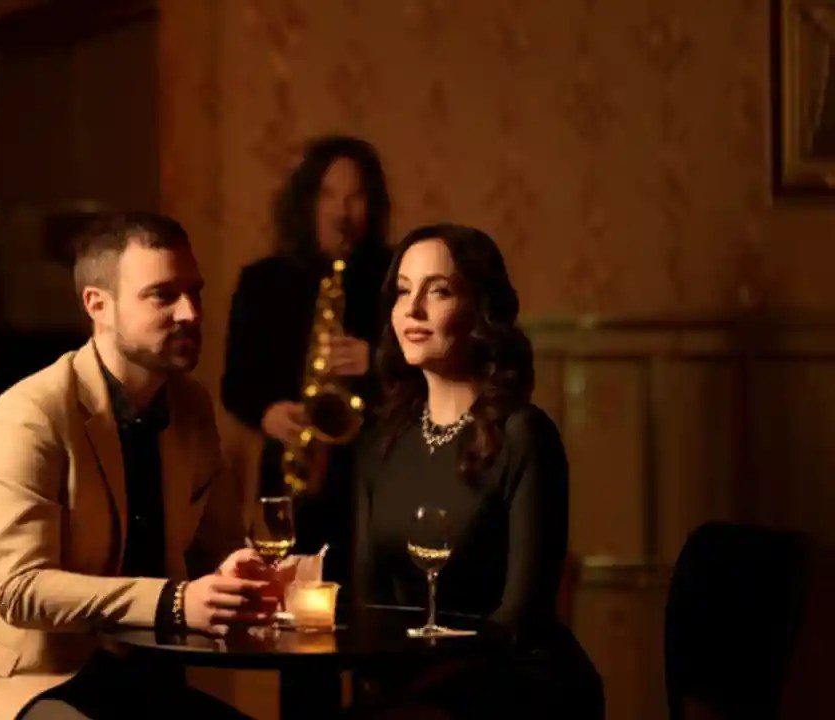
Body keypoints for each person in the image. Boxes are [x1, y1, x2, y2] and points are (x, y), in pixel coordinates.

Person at [0, 213, 273, 720]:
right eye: (163, 295)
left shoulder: (191, 407)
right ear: (97, 306)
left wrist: (235, 569)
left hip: (130, 678)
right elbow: (22, 591)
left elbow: (219, 549)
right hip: (14, 680)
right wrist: (172, 602)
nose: (191, 312)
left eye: (195, 292)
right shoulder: (29, 414)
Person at [351, 224, 604, 719]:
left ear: (480, 312)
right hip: (409, 690)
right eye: (403, 291)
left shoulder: (524, 435)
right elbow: (369, 607)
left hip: (515, 687)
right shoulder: (380, 442)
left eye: (438, 291)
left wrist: (417, 691)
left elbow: (518, 619)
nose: (413, 310)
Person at [221, 135, 393, 588]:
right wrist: (267, 413)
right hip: (292, 471)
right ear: (307, 202)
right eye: (329, 195)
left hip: (374, 470)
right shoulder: (262, 281)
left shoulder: (395, 278)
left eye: (355, 196)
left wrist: (376, 360)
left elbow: (430, 374)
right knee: (291, 611)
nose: (343, 211)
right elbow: (235, 382)